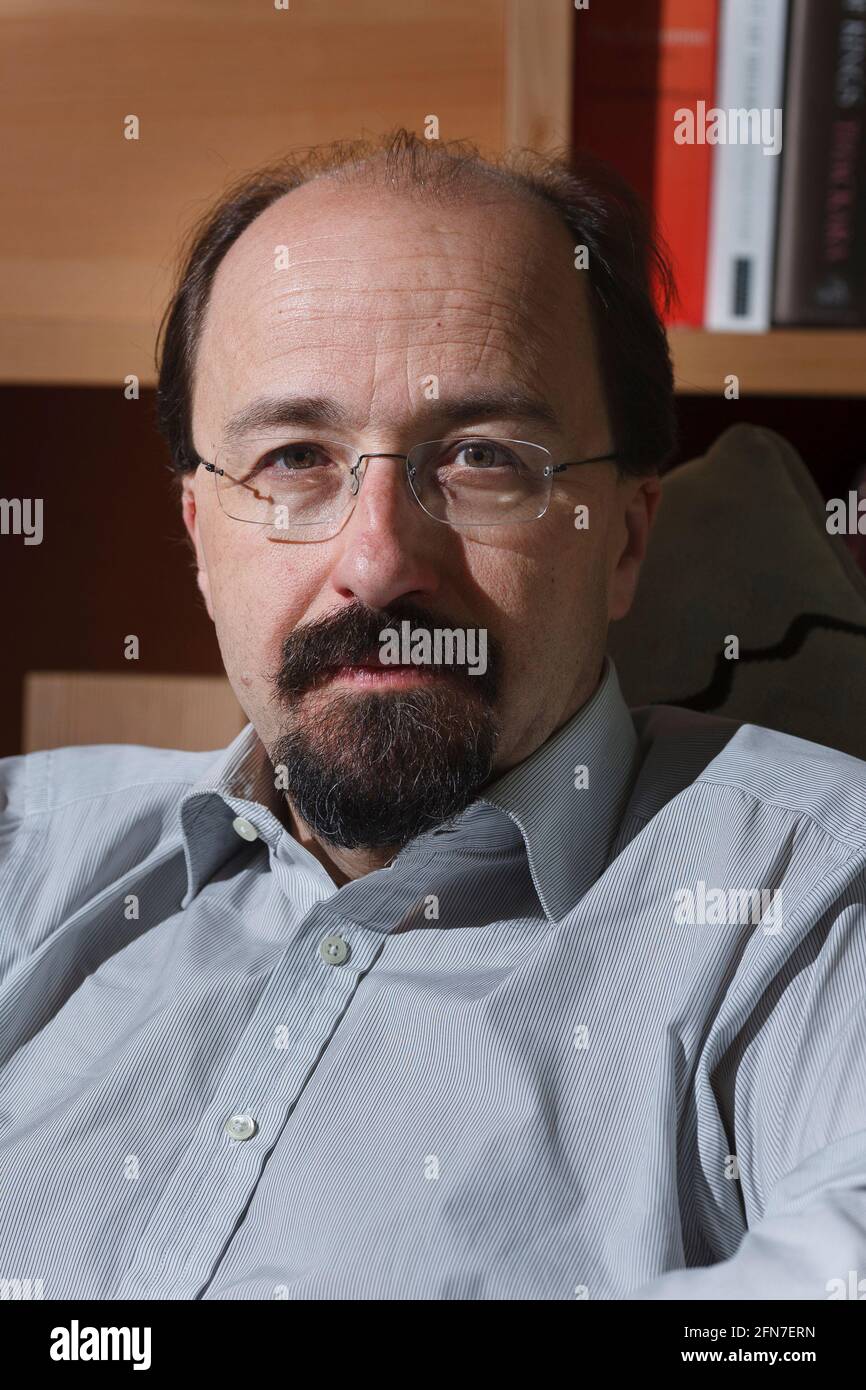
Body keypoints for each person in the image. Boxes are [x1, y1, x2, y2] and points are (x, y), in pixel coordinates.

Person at [1, 129, 865, 1301]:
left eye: (478, 457)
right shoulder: (29, 860)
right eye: (295, 457)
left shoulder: (805, 904)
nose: (376, 560)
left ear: (623, 538)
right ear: (202, 540)